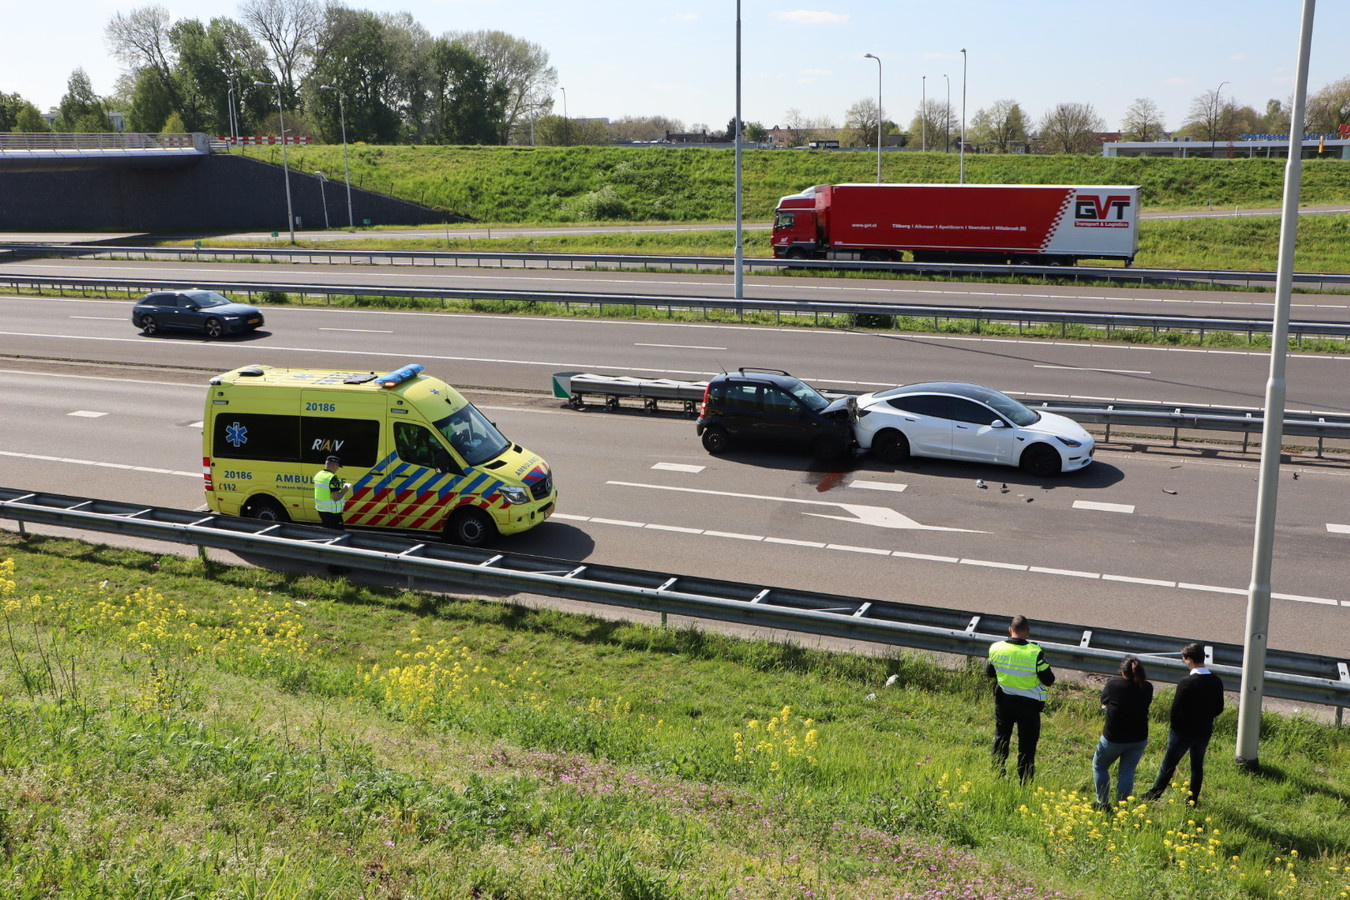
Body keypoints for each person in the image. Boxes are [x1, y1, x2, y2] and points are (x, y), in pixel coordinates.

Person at [1143, 642, 1225, 807]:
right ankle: (1192, 799)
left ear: (1189, 659)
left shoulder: (1186, 682)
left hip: (1183, 732)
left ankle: (1155, 793)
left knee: (1169, 764)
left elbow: (1175, 711)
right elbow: (1219, 708)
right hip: (1204, 731)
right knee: (1197, 766)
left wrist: (1176, 728)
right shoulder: (1216, 681)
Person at [987, 615, 1056, 783]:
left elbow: (990, 672)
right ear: (1028, 632)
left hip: (1004, 701)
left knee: (1001, 739)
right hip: (1029, 705)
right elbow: (1049, 680)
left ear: (1010, 630)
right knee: (1027, 746)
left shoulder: (996, 648)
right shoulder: (1035, 652)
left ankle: (997, 775)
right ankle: (1025, 782)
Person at [1092, 655, 1153, 811]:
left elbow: (1104, 701)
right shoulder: (1147, 687)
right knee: (1127, 772)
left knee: (1099, 766)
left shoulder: (1113, 685)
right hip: (1138, 738)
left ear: (1123, 671)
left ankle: (1102, 803)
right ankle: (1122, 807)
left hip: (1114, 738)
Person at [313, 454, 348, 530]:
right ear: (334, 465)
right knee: (339, 533)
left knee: (327, 532)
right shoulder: (332, 478)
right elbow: (336, 497)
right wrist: (345, 490)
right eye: (338, 466)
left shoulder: (319, 475)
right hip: (332, 512)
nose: (338, 468)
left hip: (321, 510)